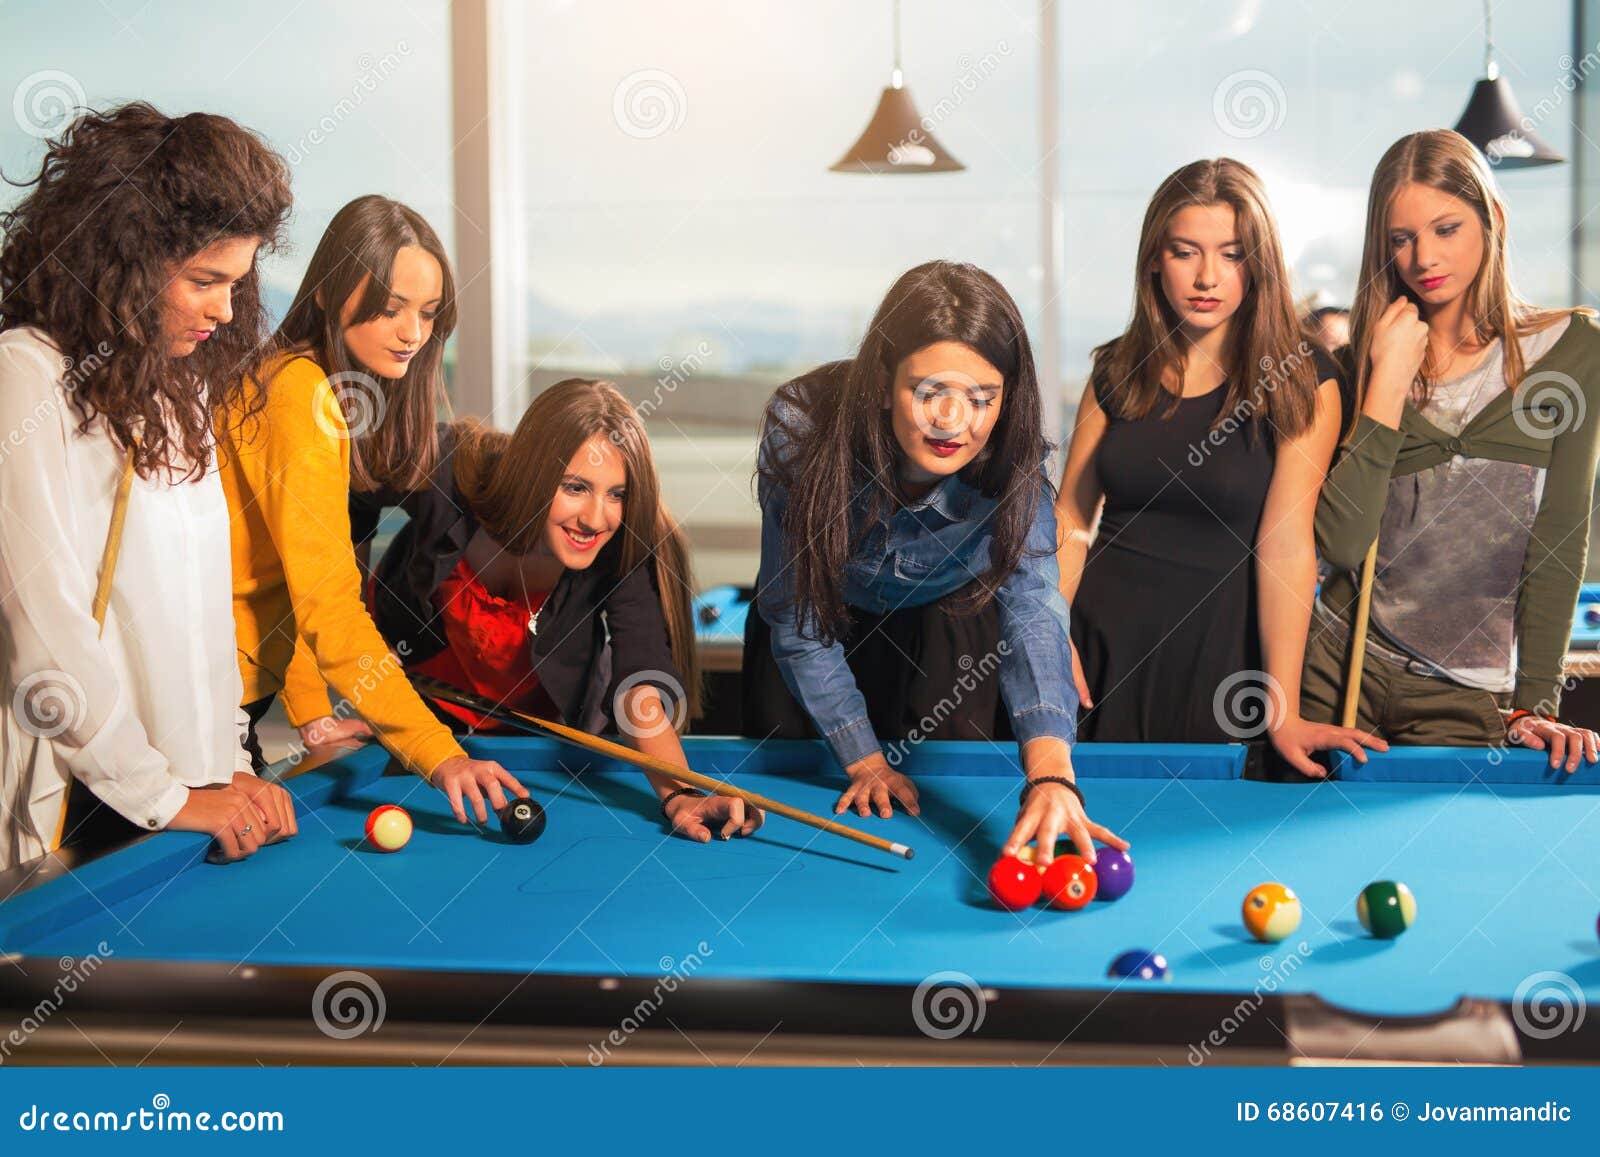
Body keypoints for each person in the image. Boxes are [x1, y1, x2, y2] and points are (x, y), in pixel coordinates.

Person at [743, 260, 1124, 868]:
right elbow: (796, 617)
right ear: (881, 382)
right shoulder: (802, 426)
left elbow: (1030, 609)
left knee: (929, 829)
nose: (953, 422)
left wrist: (1052, 778)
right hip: (809, 632)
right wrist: (864, 760)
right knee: (799, 847)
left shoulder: (1016, 468)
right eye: (928, 392)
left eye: (981, 398)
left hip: (946, 637)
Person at [0, 104, 297, 869]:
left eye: (237, 281)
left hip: (184, 797)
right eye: (205, 279)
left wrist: (227, 756)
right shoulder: (25, 374)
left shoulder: (177, 387)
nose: (227, 309)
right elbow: (45, 629)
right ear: (127, 256)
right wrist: (165, 797)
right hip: (83, 803)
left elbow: (200, 605)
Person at [1054, 158, 1382, 775]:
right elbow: (1072, 515)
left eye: (1232, 254)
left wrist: (1281, 708)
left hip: (1222, 660)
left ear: (1258, 263)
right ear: (1155, 258)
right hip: (1098, 655)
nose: (1207, 276)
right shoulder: (1116, 370)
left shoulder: (1304, 380)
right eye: (1185, 252)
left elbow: (1287, 545)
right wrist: (1050, 633)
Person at [219, 195, 529, 826]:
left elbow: (282, 573)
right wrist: (439, 753)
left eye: (428, 313)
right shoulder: (302, 397)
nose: (413, 333)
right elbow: (328, 606)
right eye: (391, 308)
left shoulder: (292, 380)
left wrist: (311, 712)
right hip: (205, 696)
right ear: (331, 293)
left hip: (230, 690)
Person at [1305, 129, 1600, 769]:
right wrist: (1383, 382)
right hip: (1337, 672)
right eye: (1401, 239)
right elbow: (1342, 543)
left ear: (1492, 219)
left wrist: (1537, 705)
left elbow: (1559, 539)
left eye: (1446, 229)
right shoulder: (1360, 364)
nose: (1423, 258)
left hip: (1466, 695)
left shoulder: (1574, 354)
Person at [355, 380, 762, 843]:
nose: (595, 518)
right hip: (424, 712)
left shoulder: (621, 547)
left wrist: (680, 793)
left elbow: (640, 677)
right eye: (575, 487)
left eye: (617, 494)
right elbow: (350, 489)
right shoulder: (449, 471)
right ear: (534, 473)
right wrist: (364, 679)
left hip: (544, 732)